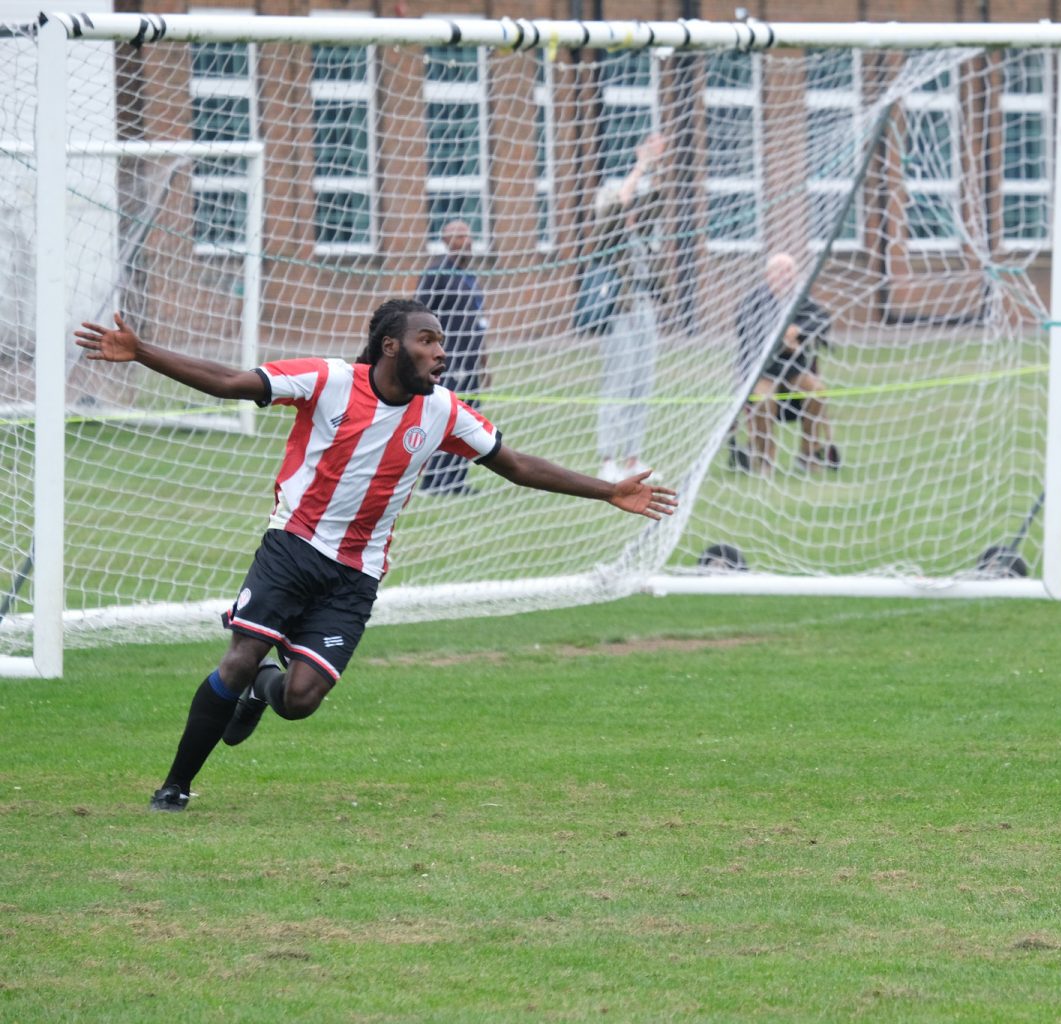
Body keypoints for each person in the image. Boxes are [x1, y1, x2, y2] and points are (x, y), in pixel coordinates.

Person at [74, 300, 678, 812]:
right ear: (390, 346)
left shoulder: (443, 411)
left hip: (355, 576)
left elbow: (516, 466)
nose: (441, 351)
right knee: (240, 654)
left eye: (442, 341)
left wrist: (608, 491)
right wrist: (144, 351)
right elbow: (233, 382)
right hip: (293, 545)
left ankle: (263, 690)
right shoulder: (328, 380)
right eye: (428, 340)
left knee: (302, 699)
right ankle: (175, 788)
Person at [592, 132, 667, 484]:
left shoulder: (644, 216)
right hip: (618, 308)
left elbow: (658, 198)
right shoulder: (609, 203)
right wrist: (640, 166)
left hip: (643, 304)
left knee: (642, 382)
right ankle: (608, 458)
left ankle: (633, 457)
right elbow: (617, 208)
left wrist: (655, 164)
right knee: (617, 383)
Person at [732, 252, 838, 476]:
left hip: (793, 371)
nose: (786, 276)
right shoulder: (753, 301)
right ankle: (764, 460)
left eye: (790, 270)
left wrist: (798, 331)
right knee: (763, 400)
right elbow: (749, 334)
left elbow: (822, 319)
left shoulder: (800, 299)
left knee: (817, 392)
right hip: (763, 372)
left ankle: (808, 454)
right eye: (780, 270)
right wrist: (780, 339)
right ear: (768, 275)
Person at [415, 218, 487, 495]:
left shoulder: (469, 277)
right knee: (445, 419)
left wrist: (483, 361)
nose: (466, 243)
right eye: (459, 238)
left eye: (468, 237)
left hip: (470, 361)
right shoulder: (437, 274)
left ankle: (457, 480)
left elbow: (478, 321)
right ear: (446, 242)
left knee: (469, 421)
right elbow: (421, 316)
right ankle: (435, 481)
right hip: (448, 361)